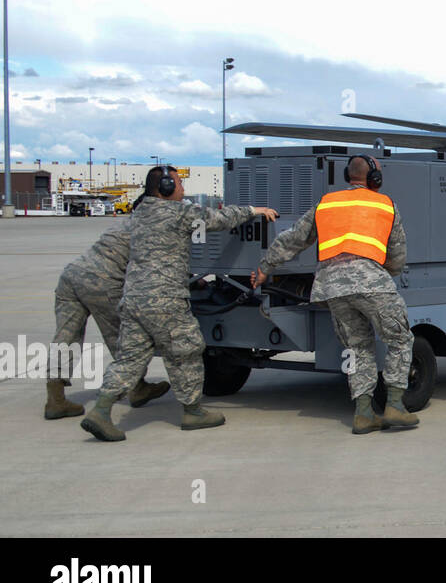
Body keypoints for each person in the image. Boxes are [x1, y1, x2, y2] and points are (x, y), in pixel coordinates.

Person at [80, 166, 278, 441]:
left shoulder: (138, 215)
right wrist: (253, 210)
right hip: (165, 298)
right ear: (164, 187)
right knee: (186, 350)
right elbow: (217, 218)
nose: (183, 189)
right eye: (179, 184)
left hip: (134, 298)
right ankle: (192, 411)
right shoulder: (178, 212)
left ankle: (100, 411)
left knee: (129, 359)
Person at [249, 155, 416, 435]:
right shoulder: (385, 204)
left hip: (331, 287)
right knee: (399, 339)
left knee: (358, 347)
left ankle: (364, 413)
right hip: (372, 283)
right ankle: (395, 405)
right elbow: (397, 257)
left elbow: (293, 239)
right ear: (375, 178)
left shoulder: (326, 203)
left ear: (347, 176)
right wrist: (379, 269)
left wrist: (265, 268)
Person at [43, 223, 169, 419]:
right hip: (102, 282)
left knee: (65, 337)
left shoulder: (120, 226)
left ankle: (55, 398)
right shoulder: (150, 230)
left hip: (71, 275)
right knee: (124, 337)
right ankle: (137, 388)